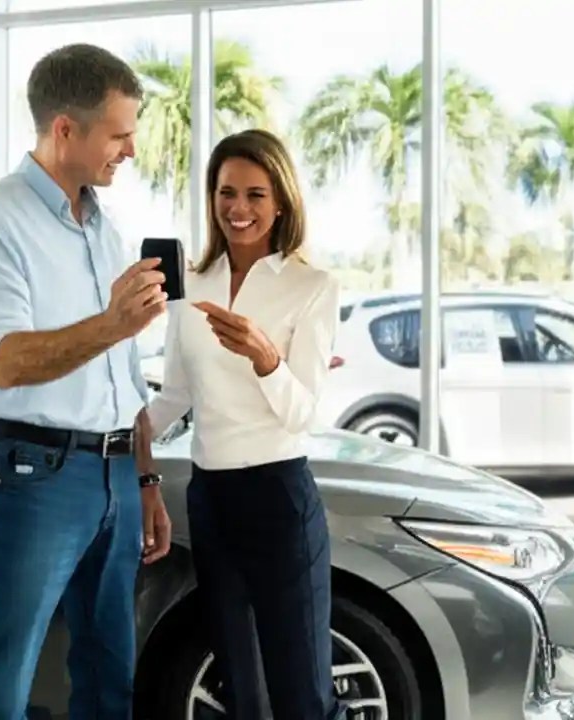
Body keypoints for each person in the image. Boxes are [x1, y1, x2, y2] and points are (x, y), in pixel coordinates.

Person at [0, 43, 173, 720]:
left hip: (116, 479)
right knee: (4, 685)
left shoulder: (103, 227)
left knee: (110, 678)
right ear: (65, 129)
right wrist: (112, 321)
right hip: (34, 478)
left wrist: (146, 479)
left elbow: (122, 378)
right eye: (119, 133)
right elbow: (5, 361)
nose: (130, 150)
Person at [143, 128, 345, 720]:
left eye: (256, 195)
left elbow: (301, 413)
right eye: (226, 192)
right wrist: (126, 435)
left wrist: (265, 358)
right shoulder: (190, 283)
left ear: (281, 201)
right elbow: (176, 393)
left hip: (278, 497)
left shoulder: (313, 286)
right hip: (212, 499)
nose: (239, 209)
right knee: (241, 687)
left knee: (302, 690)